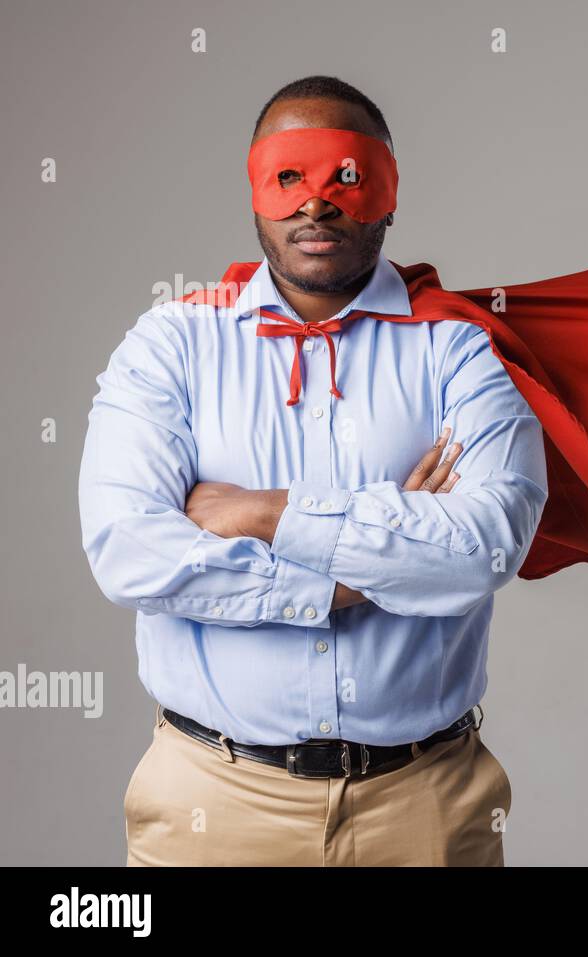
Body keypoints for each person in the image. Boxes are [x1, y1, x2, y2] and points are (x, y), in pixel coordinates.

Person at [78, 75, 548, 866]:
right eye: (288, 175)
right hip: (214, 804)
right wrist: (350, 577)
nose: (315, 201)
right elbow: (127, 550)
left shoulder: (459, 351)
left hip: (424, 806)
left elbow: (487, 546)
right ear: (256, 195)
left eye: (346, 176)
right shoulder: (172, 346)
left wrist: (265, 514)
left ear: (389, 192)